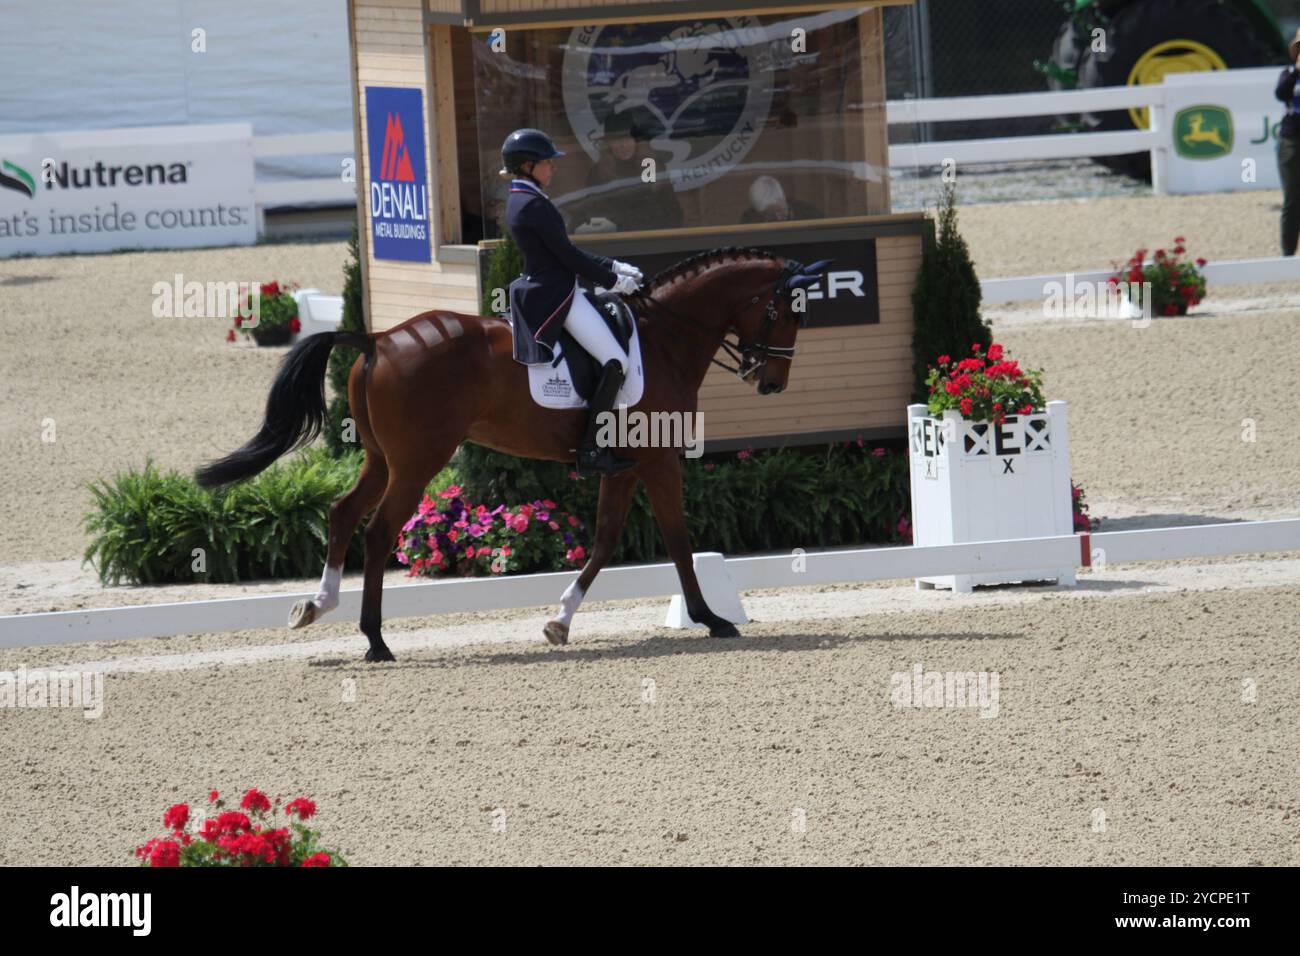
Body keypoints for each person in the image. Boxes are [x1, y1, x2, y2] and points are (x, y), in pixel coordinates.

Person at [501, 127, 642, 476]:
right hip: (556, 293)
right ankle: (593, 450)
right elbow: (566, 256)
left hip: (551, 285)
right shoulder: (533, 204)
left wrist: (612, 264)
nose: (554, 168)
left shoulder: (523, 197)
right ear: (528, 165)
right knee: (615, 359)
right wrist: (614, 282)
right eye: (548, 162)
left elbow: (566, 250)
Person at [575, 109, 683, 234]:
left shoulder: (648, 165)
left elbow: (669, 207)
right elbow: (594, 213)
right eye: (616, 140)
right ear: (608, 144)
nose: (623, 145)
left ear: (636, 141)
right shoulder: (599, 172)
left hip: (652, 237)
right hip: (615, 240)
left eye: (627, 138)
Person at [1276, 29, 1300, 256]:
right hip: (1292, 138)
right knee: (1292, 198)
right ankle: (1288, 252)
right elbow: (1281, 93)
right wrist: (1296, 72)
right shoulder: (1289, 74)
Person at [739, 175, 822, 225]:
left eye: (779, 210)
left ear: (783, 198)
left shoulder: (809, 214)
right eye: (769, 214)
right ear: (759, 213)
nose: (778, 217)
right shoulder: (750, 220)